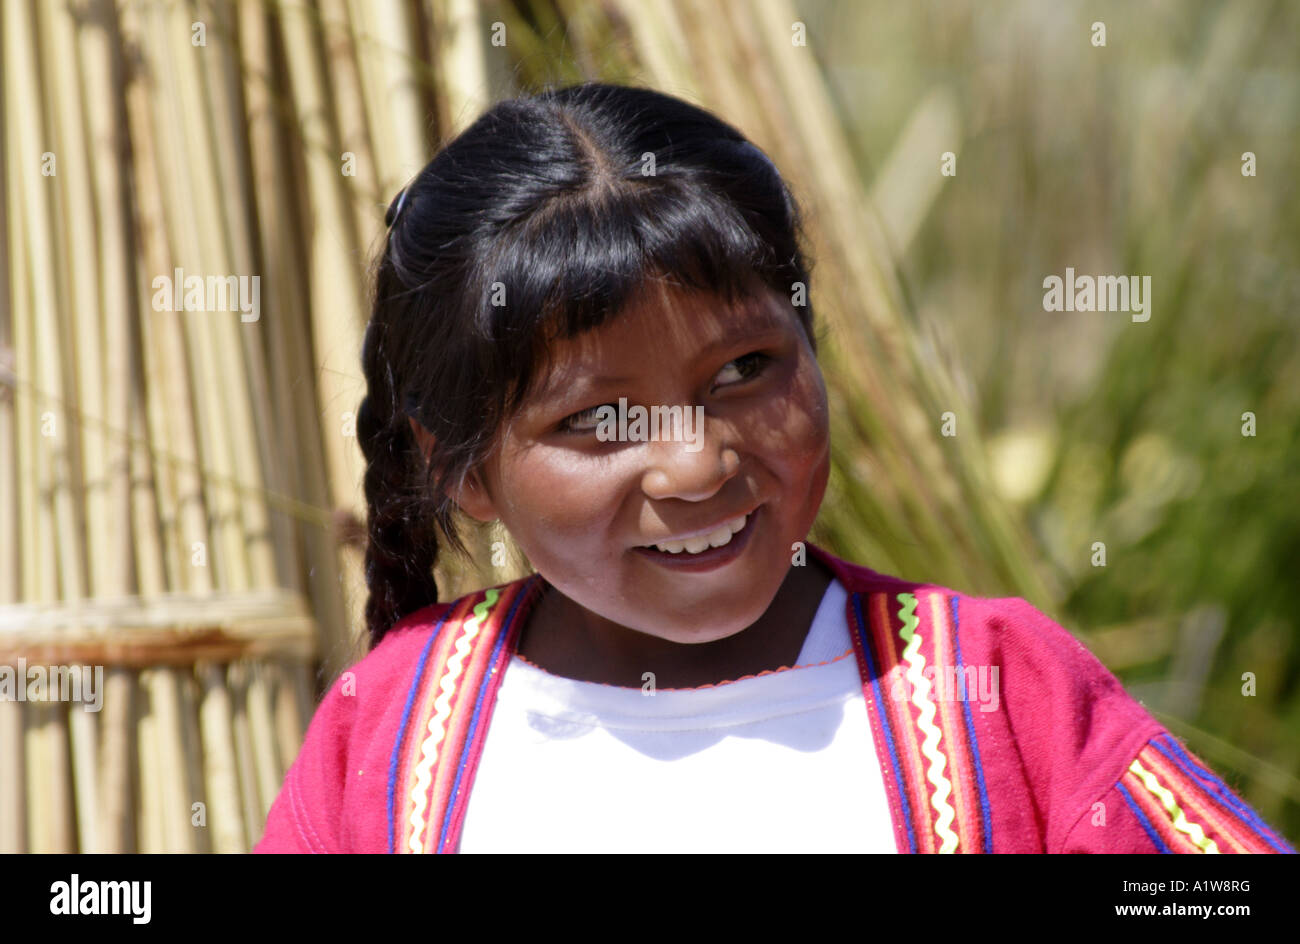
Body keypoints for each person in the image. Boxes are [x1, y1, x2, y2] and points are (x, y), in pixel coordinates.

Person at [255, 81, 1294, 854]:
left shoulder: (993, 692)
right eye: (599, 418)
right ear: (466, 472)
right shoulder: (390, 734)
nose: (698, 462)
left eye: (746, 367)